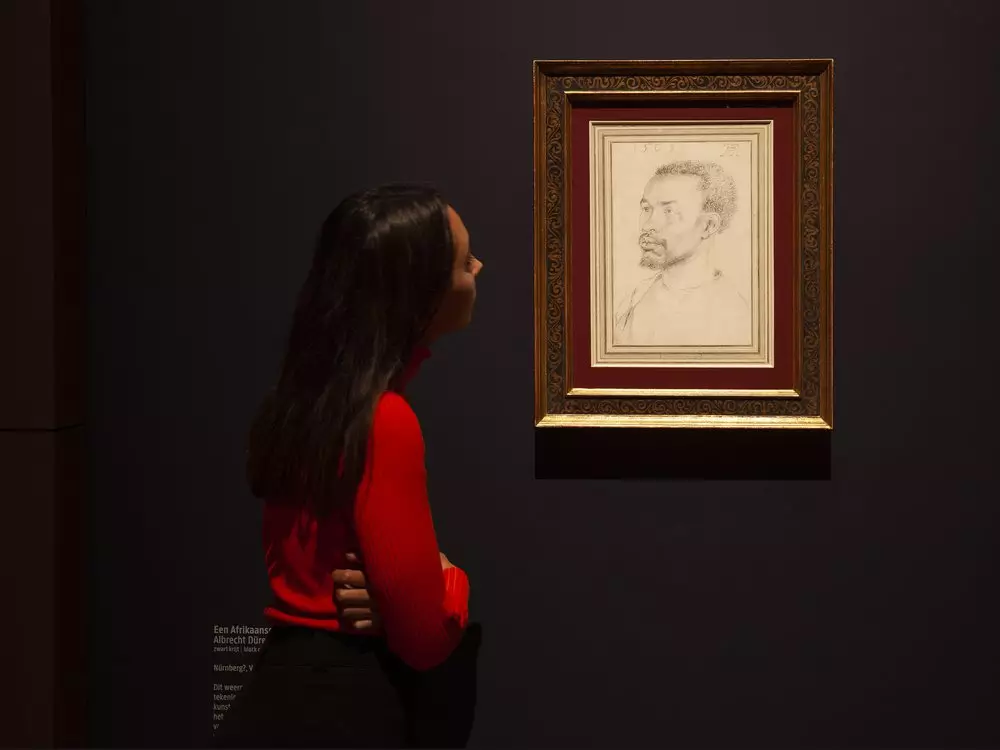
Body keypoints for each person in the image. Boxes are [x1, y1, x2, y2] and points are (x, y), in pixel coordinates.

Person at [214, 184, 483, 748]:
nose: (479, 267)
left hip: (278, 692)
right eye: (463, 261)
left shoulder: (298, 402)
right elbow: (426, 639)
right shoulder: (386, 421)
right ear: (421, 293)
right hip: (344, 710)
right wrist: (450, 579)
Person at [614, 160, 750, 347]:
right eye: (646, 209)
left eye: (669, 211)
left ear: (708, 225)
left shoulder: (736, 317)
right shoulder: (632, 300)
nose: (647, 225)